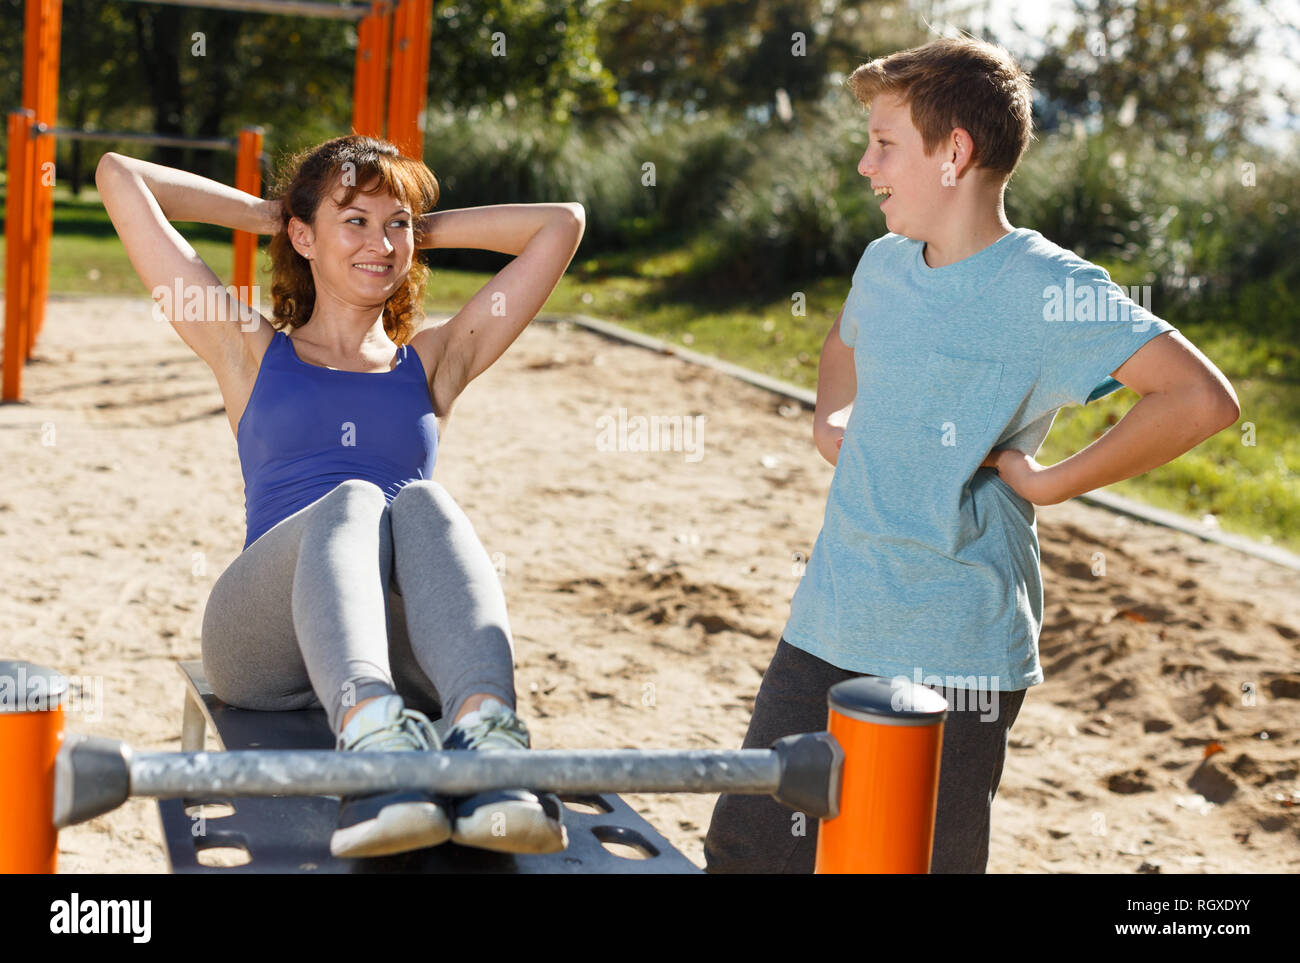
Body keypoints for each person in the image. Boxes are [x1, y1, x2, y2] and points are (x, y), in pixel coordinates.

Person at [704, 36, 1240, 873]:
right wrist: (829, 414)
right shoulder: (883, 263)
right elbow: (844, 343)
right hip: (833, 613)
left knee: (912, 863)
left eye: (883, 143)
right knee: (750, 846)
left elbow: (1200, 400)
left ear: (954, 152)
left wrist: (1054, 482)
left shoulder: (1045, 287)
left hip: (957, 643)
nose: (861, 164)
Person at [96, 134, 586, 859]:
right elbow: (119, 176)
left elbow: (562, 223)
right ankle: (371, 749)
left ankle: (489, 747)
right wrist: (273, 211)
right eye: (353, 221)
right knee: (355, 498)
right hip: (264, 641)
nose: (380, 243)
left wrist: (411, 220)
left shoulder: (434, 361)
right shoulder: (250, 349)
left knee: (425, 504)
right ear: (304, 235)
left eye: (396, 226)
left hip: (402, 644)